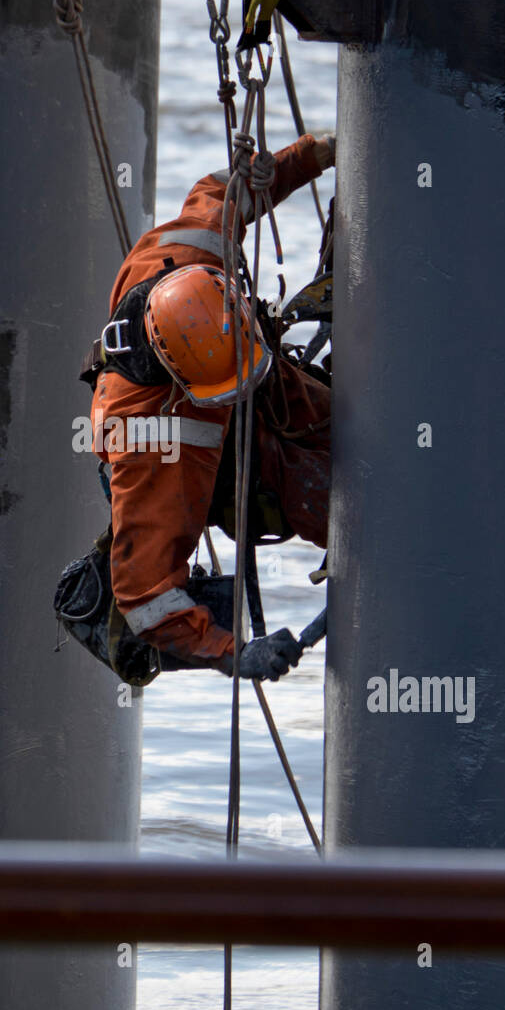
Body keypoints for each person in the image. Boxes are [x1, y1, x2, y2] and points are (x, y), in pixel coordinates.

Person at [83, 131, 335, 683]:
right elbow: (147, 598)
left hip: (250, 365)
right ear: (180, 378)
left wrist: (312, 155)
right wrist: (233, 652)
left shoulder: (192, 251)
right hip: (223, 456)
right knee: (343, 503)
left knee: (335, 415)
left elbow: (222, 193)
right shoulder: (151, 441)